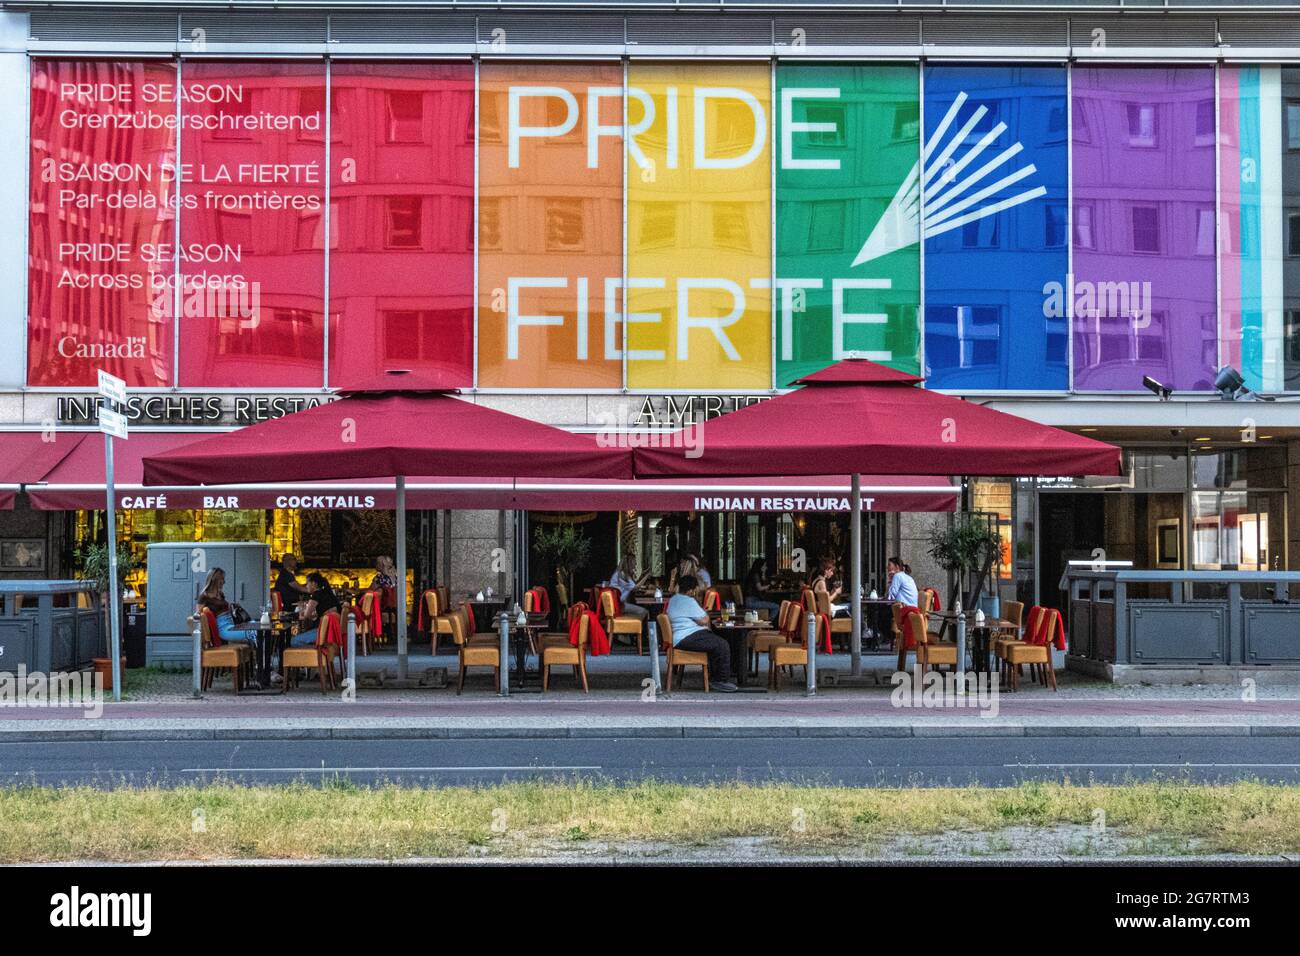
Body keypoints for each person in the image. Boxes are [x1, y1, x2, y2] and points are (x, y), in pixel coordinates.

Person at [665, 575, 737, 692]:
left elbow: (696, 619)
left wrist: (695, 618)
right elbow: (704, 620)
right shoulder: (688, 601)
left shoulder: (673, 599)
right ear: (691, 590)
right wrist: (703, 613)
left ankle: (714, 677)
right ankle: (720, 680)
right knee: (722, 644)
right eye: (695, 589)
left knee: (716, 643)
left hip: (680, 637)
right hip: (688, 636)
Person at [197, 568, 260, 651]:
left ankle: (258, 658)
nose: (224, 582)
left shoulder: (220, 594)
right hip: (224, 629)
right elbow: (198, 614)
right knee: (254, 632)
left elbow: (222, 608)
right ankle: (261, 661)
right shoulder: (204, 596)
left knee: (256, 624)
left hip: (232, 625)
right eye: (222, 579)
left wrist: (232, 607)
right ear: (214, 579)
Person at [291, 572, 342, 646]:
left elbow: (306, 616)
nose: (306, 586)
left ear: (314, 583)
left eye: (307, 583)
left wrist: (301, 612)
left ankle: (313, 653)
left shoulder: (316, 595)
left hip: (325, 631)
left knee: (293, 641)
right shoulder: (327, 592)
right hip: (333, 630)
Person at [609, 554, 649, 623]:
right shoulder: (622, 575)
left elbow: (633, 584)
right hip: (618, 606)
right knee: (644, 612)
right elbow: (635, 588)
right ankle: (640, 632)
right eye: (634, 562)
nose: (635, 564)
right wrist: (647, 575)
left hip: (617, 604)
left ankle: (634, 632)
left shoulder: (621, 573)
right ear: (629, 563)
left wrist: (642, 575)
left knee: (640, 610)